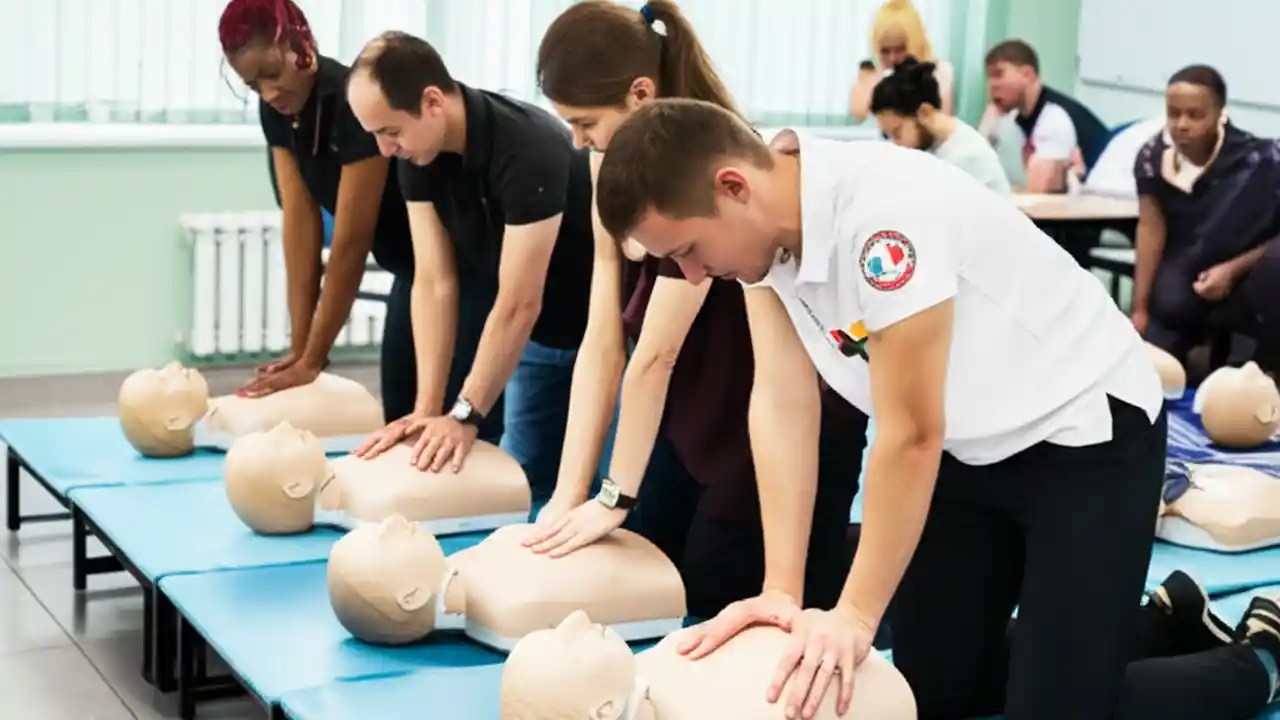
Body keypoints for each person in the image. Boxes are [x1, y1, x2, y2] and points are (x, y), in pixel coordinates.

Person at [590, 97, 1253, 719]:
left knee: (1056, 709)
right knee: (935, 691)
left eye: (687, 253)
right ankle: (1159, 620)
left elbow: (909, 434)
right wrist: (782, 593)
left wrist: (851, 616)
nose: (696, 276)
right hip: (970, 443)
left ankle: (1260, 663)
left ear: (734, 187)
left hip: (1083, 438)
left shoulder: (884, 224)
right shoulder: (763, 211)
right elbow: (785, 398)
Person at [519, 0, 867, 621]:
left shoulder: (702, 173)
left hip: (772, 419)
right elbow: (605, 339)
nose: (575, 140)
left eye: (583, 121)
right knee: (648, 569)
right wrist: (568, 496)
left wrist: (614, 493)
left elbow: (656, 353)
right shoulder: (606, 165)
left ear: (640, 94)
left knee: (715, 595)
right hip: (692, 417)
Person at [345, 31, 594, 505]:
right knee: (520, 484)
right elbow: (434, 282)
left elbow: (519, 300)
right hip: (540, 340)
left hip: (601, 337)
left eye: (390, 131)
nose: (383, 149)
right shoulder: (418, 153)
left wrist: (464, 414)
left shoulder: (527, 148)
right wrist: (427, 409)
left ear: (432, 101)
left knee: (598, 492)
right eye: (375, 134)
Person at [218, 0, 435, 426]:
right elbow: (301, 225)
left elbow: (352, 241)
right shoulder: (277, 111)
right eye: (252, 85)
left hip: (453, 259)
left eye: (273, 75)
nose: (268, 93)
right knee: (401, 406)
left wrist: (315, 358)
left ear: (301, 45)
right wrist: (300, 353)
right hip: (411, 267)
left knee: (440, 408)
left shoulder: (349, 101)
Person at [1131, 64, 1280, 378]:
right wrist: (1139, 309)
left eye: (1195, 115)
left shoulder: (1260, 162)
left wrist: (1232, 269)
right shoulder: (1152, 157)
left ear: (1219, 114)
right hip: (1185, 267)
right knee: (1164, 322)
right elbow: (1150, 228)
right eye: (1173, 113)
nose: (1182, 125)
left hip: (1246, 272)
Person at [871, 56, 1010, 195]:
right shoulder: (937, 144)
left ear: (925, 113)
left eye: (897, 133)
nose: (896, 144)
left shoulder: (965, 157)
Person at [985, 39, 1108, 193]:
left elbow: (1038, 197)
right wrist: (992, 115)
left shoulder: (1054, 116)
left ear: (1027, 74)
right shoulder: (1026, 116)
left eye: (998, 74)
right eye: (989, 77)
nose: (992, 85)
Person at [848, 0, 953, 123]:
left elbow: (944, 123)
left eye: (900, 49)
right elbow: (858, 113)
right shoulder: (874, 73)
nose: (892, 58)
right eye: (885, 51)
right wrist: (877, 76)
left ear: (914, 42)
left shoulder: (939, 72)